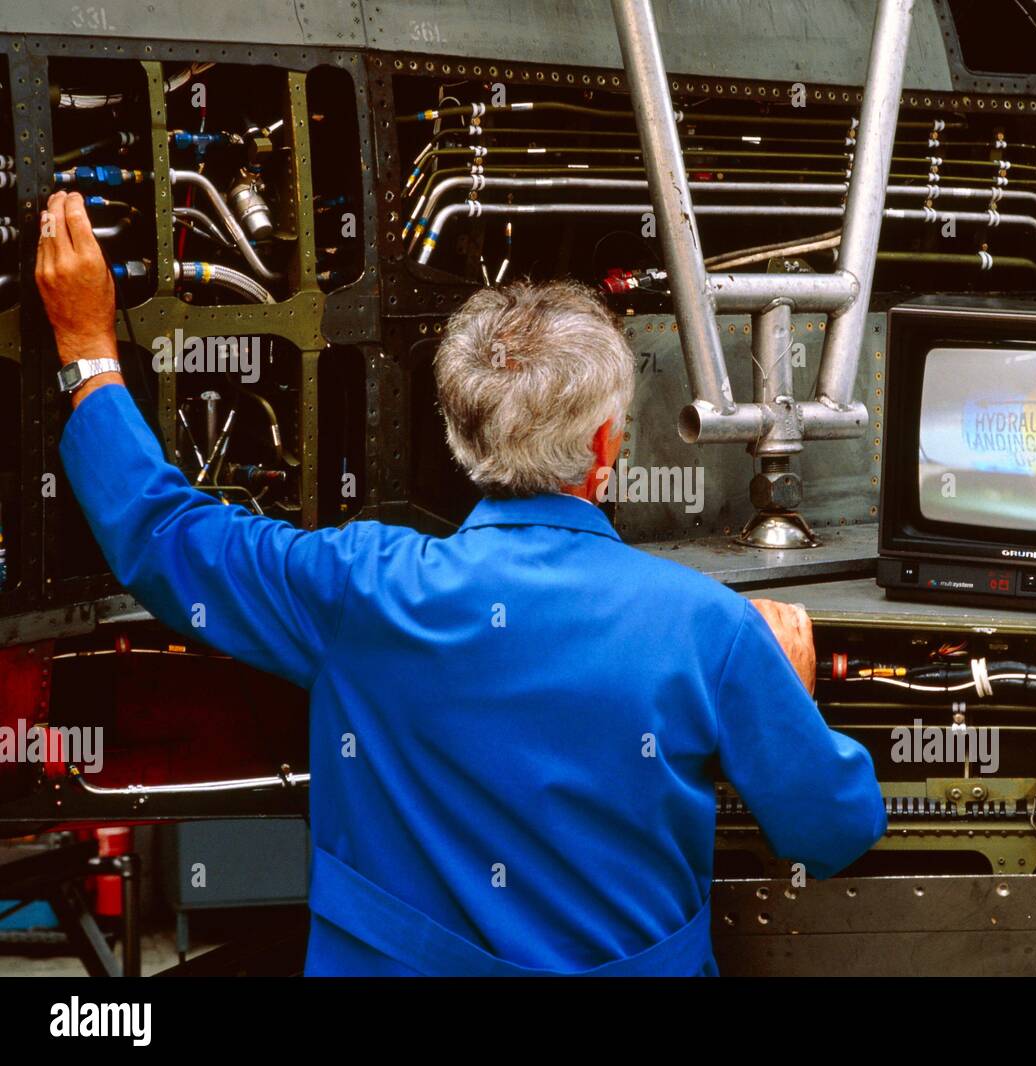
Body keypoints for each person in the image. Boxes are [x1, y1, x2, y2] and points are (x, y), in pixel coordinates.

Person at [36, 189, 886, 976]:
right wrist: (792, 703)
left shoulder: (356, 588)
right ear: (605, 449)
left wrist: (85, 350)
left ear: (458, 434)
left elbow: (159, 534)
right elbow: (832, 830)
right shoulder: (713, 630)